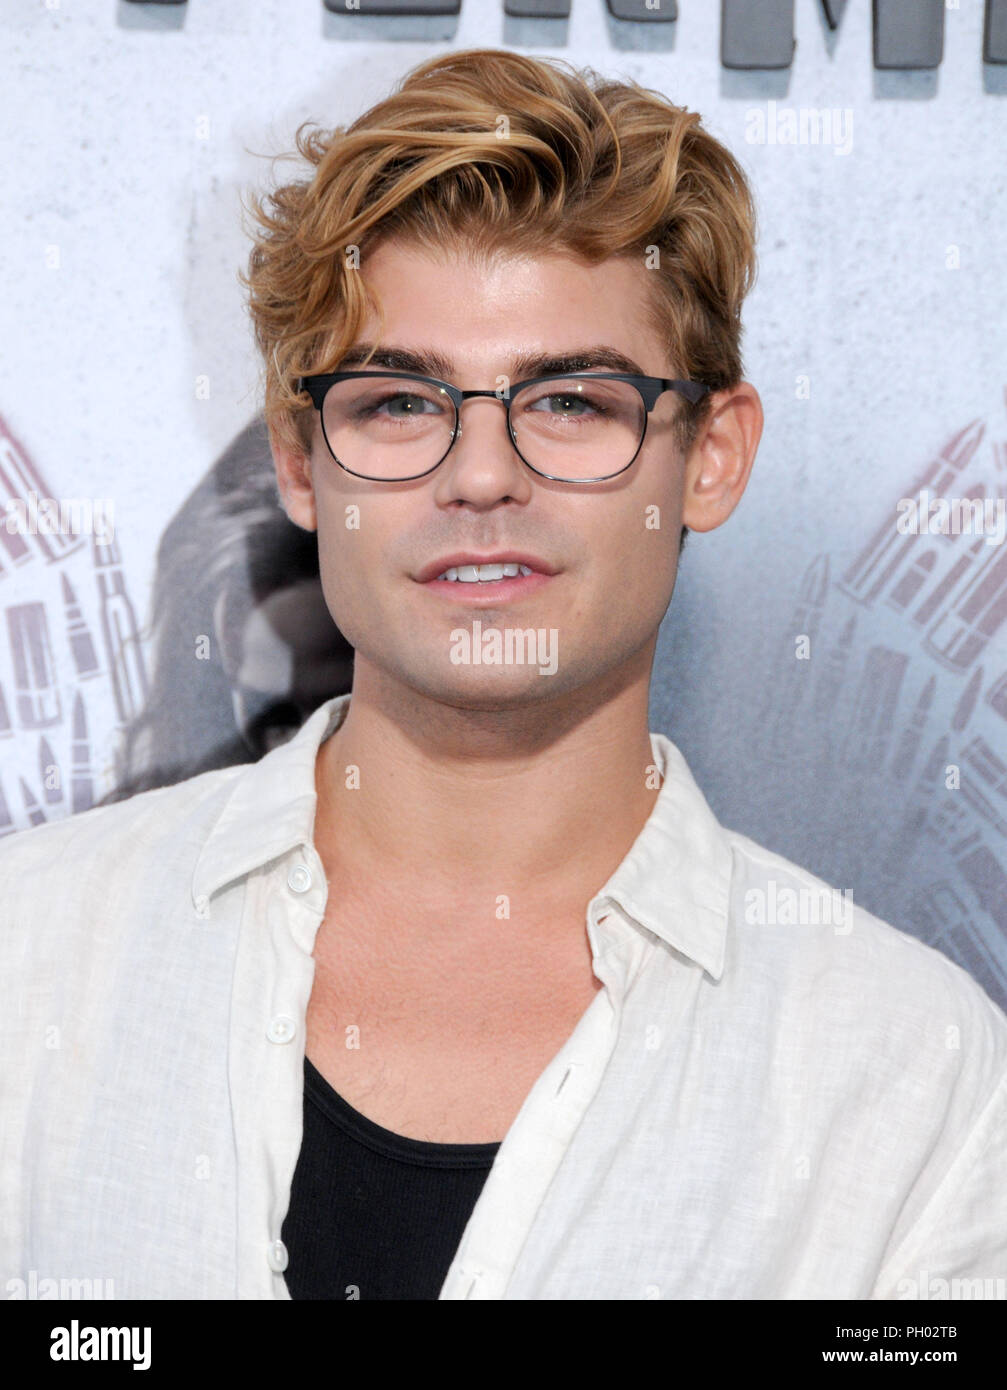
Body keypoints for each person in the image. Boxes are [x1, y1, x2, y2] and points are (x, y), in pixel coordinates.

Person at [2, 47, 1005, 1303]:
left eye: (573, 402)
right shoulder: (26, 957)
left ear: (709, 455)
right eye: (399, 404)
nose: (481, 476)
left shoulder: (912, 1074)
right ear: (303, 465)